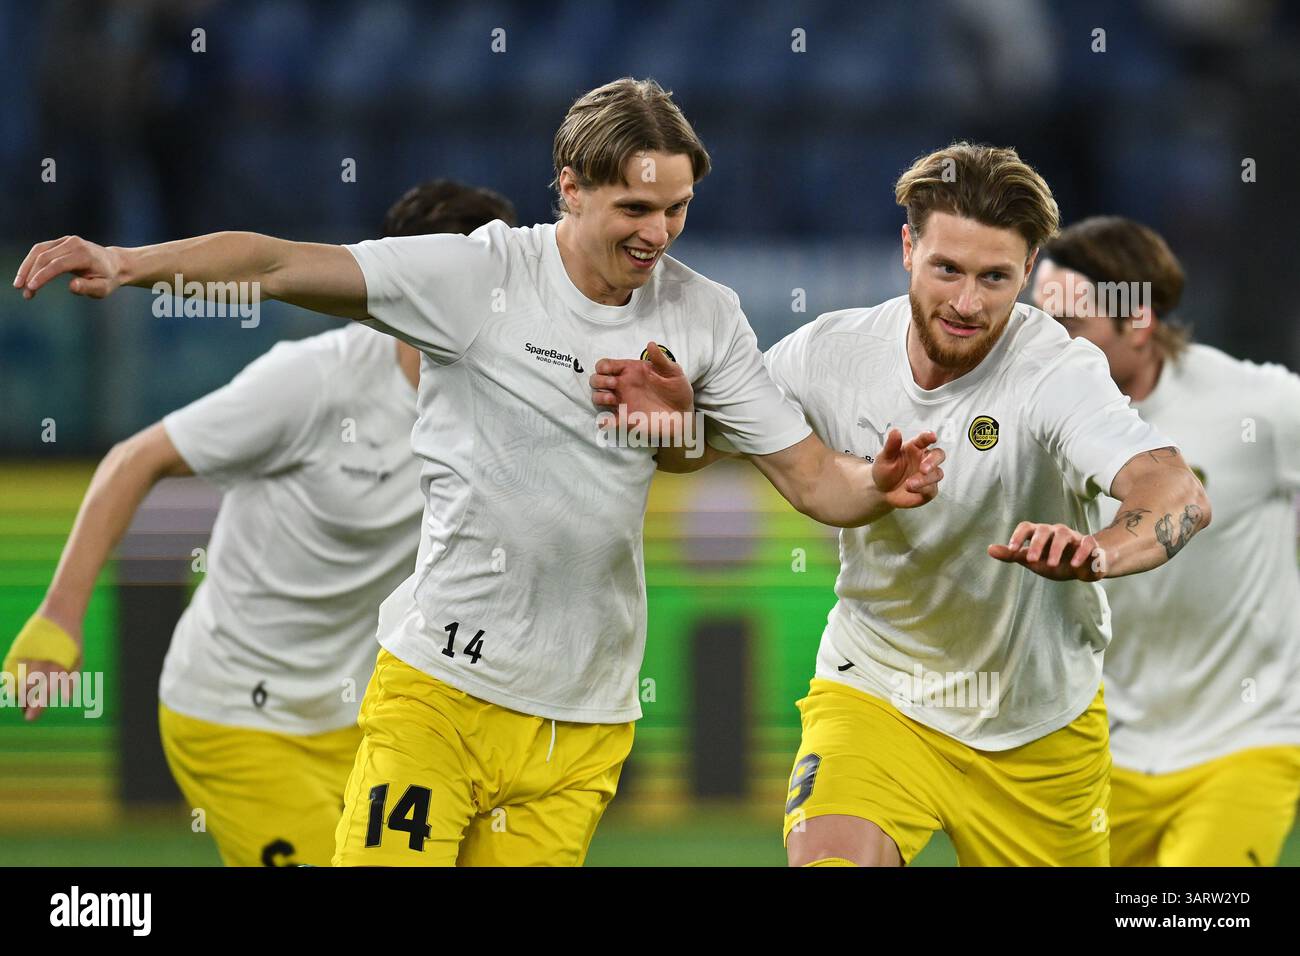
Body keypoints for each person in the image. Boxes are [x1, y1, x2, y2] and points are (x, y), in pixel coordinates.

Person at [13, 78, 944, 867]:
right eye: (635, 208)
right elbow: (276, 261)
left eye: (677, 209)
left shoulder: (705, 315)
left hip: (583, 720)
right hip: (441, 696)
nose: (660, 234)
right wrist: (129, 261)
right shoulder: (474, 278)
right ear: (571, 189)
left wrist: (880, 484)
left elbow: (813, 478)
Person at [637, 143, 1212, 866]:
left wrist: (1100, 551)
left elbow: (1175, 492)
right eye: (949, 270)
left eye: (995, 278)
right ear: (908, 248)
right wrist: (672, 422)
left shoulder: (1058, 372)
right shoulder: (830, 353)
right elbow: (700, 448)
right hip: (878, 693)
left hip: (1036, 727)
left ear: (1028, 271)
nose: (968, 303)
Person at [3, 179, 517, 866]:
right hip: (234, 719)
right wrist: (59, 617)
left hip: (362, 722)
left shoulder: (507, 403)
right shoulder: (313, 382)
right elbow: (135, 459)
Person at [1033, 215, 1300, 866]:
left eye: (1070, 327)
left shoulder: (1258, 407)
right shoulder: (1033, 415)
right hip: (1107, 745)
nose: (1046, 345)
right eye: (1038, 322)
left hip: (1245, 740)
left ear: (1138, 322)